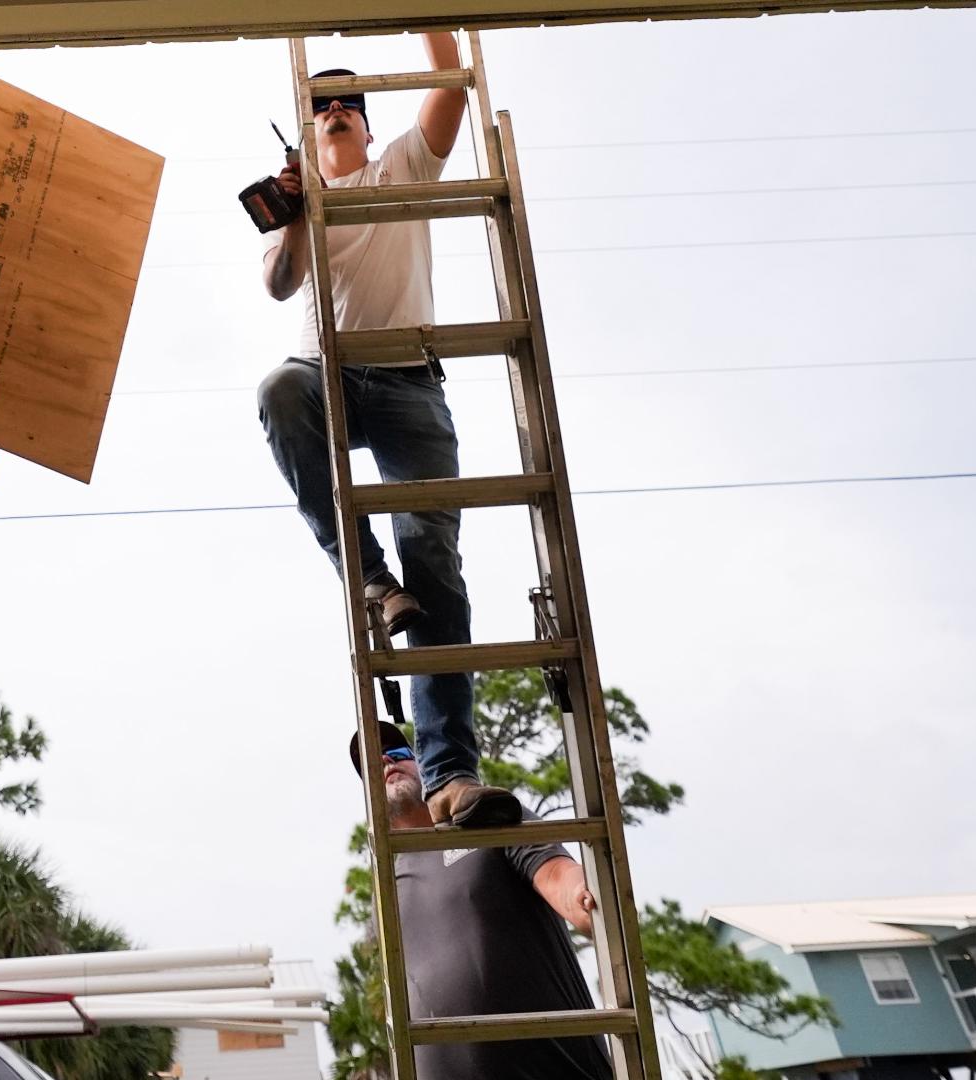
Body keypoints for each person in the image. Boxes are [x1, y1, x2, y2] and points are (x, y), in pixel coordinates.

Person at [256, 33, 518, 827]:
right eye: (321, 106)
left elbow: (450, 85)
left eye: (350, 106)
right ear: (306, 132)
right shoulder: (294, 201)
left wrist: (437, 17)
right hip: (325, 374)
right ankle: (369, 580)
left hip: (407, 375)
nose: (336, 112)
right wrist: (296, 211)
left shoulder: (401, 165)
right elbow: (278, 284)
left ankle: (450, 774)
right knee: (279, 392)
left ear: (370, 129)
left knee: (434, 559)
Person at [349, 720, 612, 1080]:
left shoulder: (489, 818)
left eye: (398, 754)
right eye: (373, 767)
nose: (386, 762)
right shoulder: (387, 888)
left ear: (428, 766)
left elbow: (556, 875)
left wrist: (588, 902)